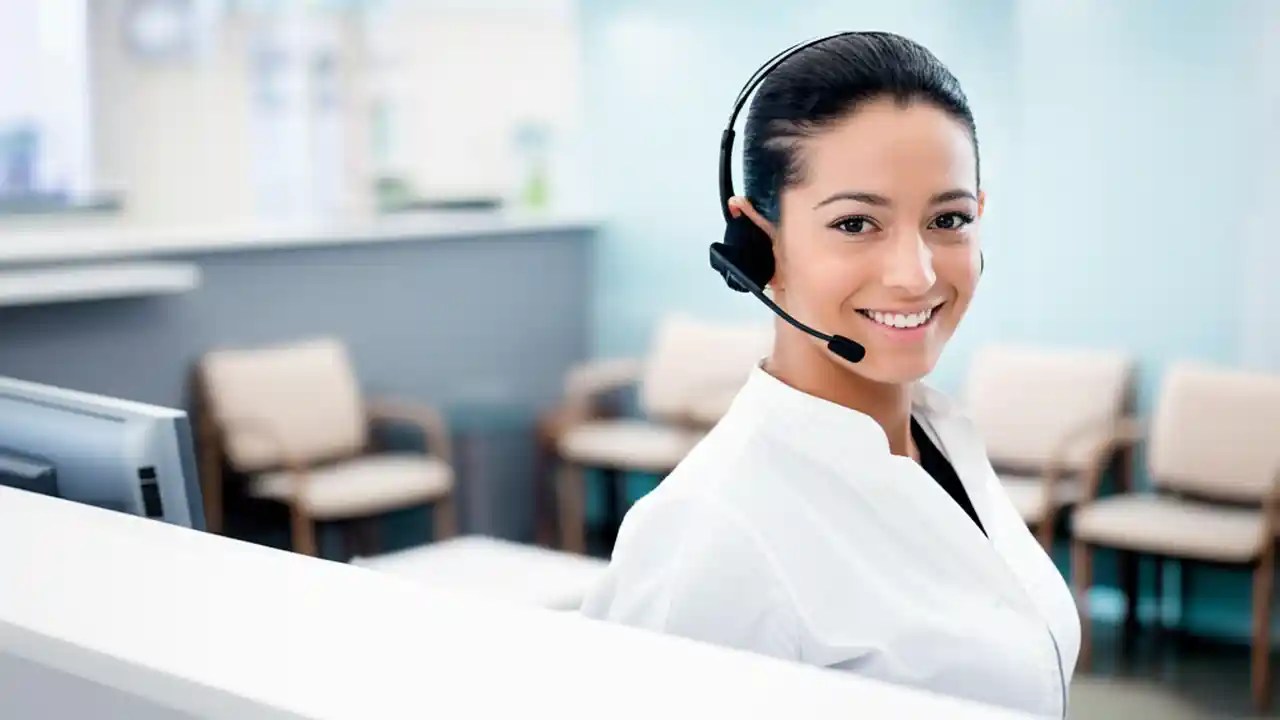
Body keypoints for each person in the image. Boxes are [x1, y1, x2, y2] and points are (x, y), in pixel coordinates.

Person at [579, 31, 1079, 719]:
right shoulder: (710, 535)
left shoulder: (940, 440)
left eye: (948, 219)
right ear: (758, 244)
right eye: (856, 224)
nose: (916, 275)